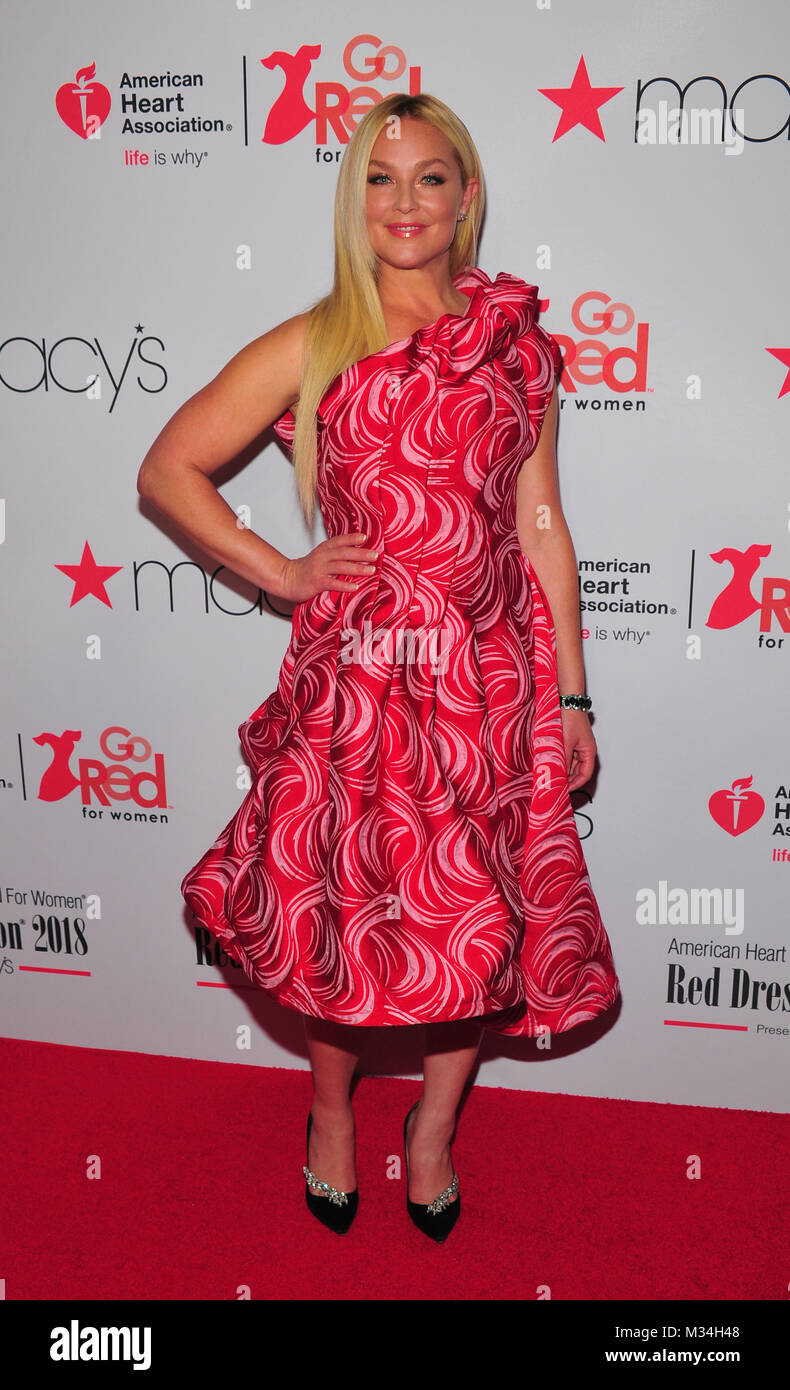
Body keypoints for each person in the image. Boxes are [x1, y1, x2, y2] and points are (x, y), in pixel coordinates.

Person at [137, 92, 620, 1243]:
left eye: (430, 176)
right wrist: (282, 570)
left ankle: (436, 1132)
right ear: (353, 197)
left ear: (466, 194)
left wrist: (572, 691)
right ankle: (329, 1114)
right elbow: (170, 469)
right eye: (378, 177)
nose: (404, 201)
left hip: (492, 677)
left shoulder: (521, 342)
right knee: (347, 915)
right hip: (362, 681)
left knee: (481, 921)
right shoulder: (319, 336)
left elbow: (540, 519)